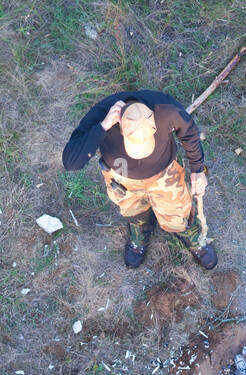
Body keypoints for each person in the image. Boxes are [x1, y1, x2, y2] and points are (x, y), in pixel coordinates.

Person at [62, 89, 216, 270]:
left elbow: (189, 131)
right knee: (133, 209)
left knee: (177, 211)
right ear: (119, 124)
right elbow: (71, 162)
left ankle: (186, 230)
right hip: (122, 175)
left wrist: (197, 169)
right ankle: (140, 229)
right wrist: (103, 126)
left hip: (163, 174)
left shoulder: (165, 109)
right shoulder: (103, 114)